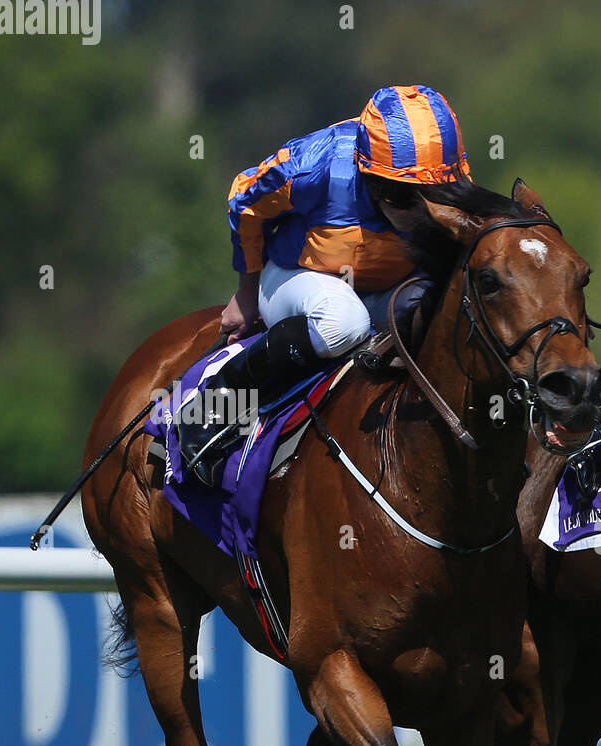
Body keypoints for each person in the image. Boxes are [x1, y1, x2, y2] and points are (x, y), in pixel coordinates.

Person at [180, 83, 470, 485]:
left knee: (448, 308)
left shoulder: (447, 178)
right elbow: (244, 200)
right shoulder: (315, 164)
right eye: (402, 195)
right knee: (343, 321)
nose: (419, 210)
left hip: (389, 291)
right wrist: (245, 295)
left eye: (432, 195)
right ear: (368, 172)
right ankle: (219, 399)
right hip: (298, 278)